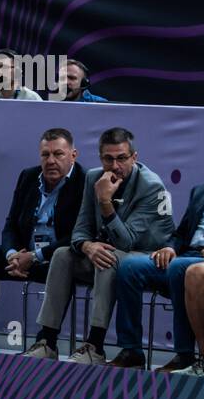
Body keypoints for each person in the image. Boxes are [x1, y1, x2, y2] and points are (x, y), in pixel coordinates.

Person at [21, 128, 174, 364]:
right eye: (108, 159)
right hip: (106, 250)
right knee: (63, 255)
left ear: (134, 157)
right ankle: (47, 340)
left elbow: (127, 241)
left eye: (121, 158)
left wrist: (104, 202)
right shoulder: (93, 177)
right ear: (100, 158)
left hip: (143, 257)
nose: (114, 166)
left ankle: (95, 345)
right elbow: (80, 229)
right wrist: (87, 247)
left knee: (108, 258)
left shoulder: (151, 186)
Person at [0, 129, 85, 351]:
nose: (51, 161)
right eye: (45, 155)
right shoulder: (28, 176)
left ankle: (46, 342)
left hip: (58, 257)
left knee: (62, 262)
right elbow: (10, 225)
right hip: (24, 254)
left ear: (73, 155)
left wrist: (34, 257)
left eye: (58, 154)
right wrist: (12, 255)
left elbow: (77, 235)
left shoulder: (84, 182)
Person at [109, 157, 204, 370]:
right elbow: (181, 232)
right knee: (129, 266)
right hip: (188, 254)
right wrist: (170, 247)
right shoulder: (202, 190)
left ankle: (184, 355)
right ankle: (131, 351)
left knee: (178, 268)